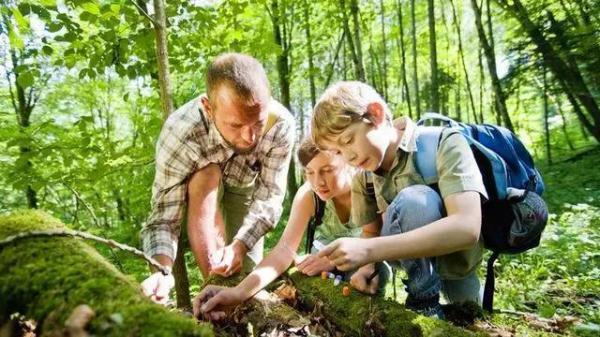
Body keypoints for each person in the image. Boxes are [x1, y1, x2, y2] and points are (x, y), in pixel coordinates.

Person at [310, 81, 487, 317]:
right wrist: (367, 267)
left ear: (376, 114)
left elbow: (467, 227)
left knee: (475, 317)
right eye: (338, 152)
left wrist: (369, 250)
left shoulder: (444, 143)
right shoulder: (363, 177)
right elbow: (370, 233)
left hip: (457, 264)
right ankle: (424, 303)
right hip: (415, 272)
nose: (349, 156)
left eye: (348, 140)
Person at [140, 53, 295, 304]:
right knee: (206, 174)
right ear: (208, 108)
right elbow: (164, 217)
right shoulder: (181, 133)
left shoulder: (281, 125)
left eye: (258, 122)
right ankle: (213, 286)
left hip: (245, 188)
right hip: (201, 192)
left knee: (247, 275)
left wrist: (240, 245)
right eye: (235, 125)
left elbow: (269, 196)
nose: (250, 137)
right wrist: (162, 271)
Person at [193, 138, 385, 320]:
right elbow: (284, 250)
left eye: (327, 170)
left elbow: (374, 237)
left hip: (367, 259)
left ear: (348, 161)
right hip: (322, 261)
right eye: (309, 172)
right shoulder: (310, 196)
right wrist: (239, 292)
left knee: (367, 280)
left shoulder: (366, 186)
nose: (319, 181)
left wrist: (332, 260)